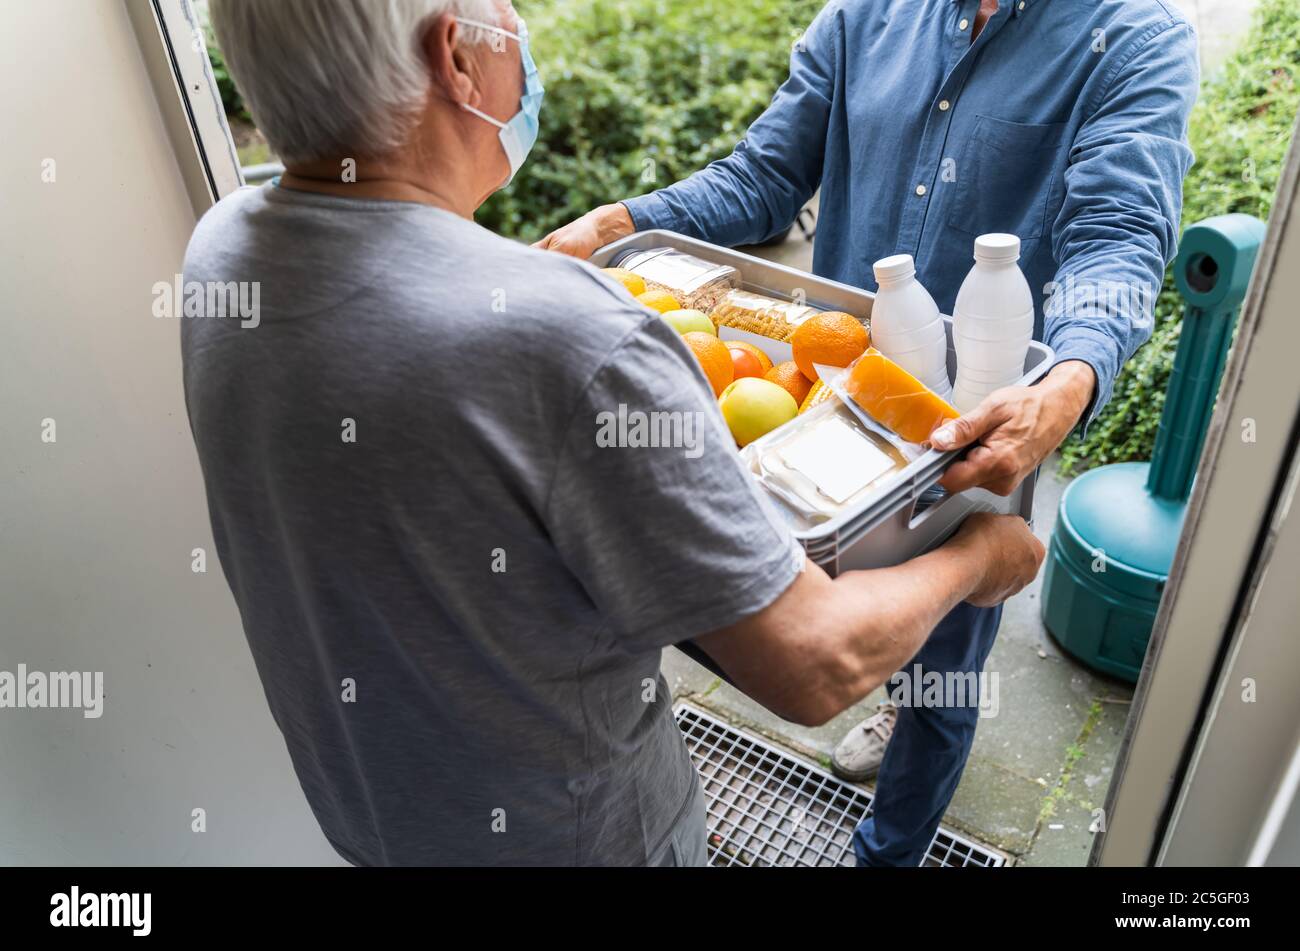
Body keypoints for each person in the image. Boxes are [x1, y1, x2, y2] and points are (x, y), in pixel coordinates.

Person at [185, 0, 1042, 866]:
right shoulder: (569, 337)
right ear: (457, 56)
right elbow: (812, 664)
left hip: (375, 816)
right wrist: (980, 557)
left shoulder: (219, 255)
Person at [540, 0, 1198, 866]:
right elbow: (764, 177)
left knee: (947, 655)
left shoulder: (1136, 37)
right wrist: (615, 226)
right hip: (838, 395)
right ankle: (890, 685)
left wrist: (1068, 382)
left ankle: (889, 850)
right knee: (835, 586)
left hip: (974, 423)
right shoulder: (864, 19)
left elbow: (1117, 240)